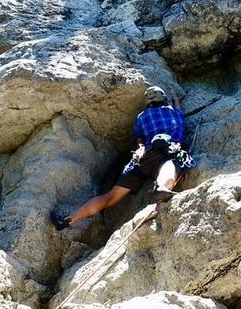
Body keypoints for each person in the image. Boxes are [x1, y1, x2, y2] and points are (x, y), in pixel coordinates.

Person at [50, 86, 194, 231]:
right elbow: (179, 112)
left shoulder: (141, 117)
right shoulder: (174, 113)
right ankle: (162, 188)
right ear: (163, 99)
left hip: (143, 157)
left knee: (110, 197)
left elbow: (139, 142)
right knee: (169, 165)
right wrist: (176, 103)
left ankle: (68, 220)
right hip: (168, 150)